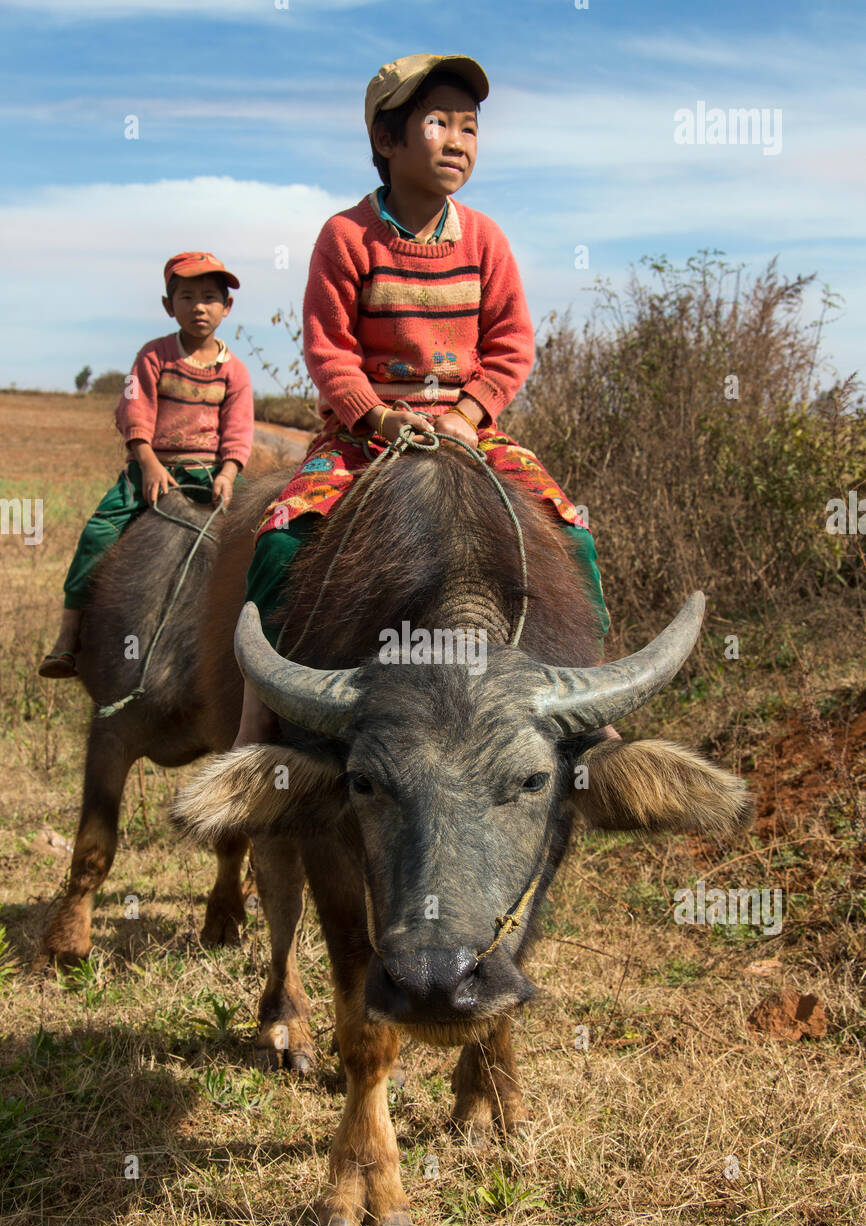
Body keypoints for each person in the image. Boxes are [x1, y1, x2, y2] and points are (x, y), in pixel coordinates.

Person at [234, 52, 616, 744]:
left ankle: (589, 694)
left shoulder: (485, 239)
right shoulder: (346, 237)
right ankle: (261, 710)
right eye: (437, 122)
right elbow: (329, 353)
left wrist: (469, 416)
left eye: (470, 127)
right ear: (387, 140)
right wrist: (377, 417)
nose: (459, 140)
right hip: (366, 433)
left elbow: (509, 345)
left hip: (468, 429)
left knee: (573, 535)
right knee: (280, 541)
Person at [39, 252, 254, 678]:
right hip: (152, 467)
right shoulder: (153, 357)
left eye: (210, 297)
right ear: (167, 305)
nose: (198, 306)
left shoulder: (236, 371)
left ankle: (259, 646)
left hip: (213, 475)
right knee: (98, 533)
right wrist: (150, 463)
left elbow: (239, 430)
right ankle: (70, 636)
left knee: (257, 541)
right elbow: (134, 412)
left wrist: (229, 472)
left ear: (226, 307)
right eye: (187, 296)